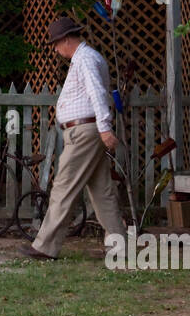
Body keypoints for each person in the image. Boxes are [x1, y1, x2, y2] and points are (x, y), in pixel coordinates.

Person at [21, 15, 124, 261]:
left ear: (66, 40)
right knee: (102, 192)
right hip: (88, 131)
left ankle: (45, 246)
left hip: (84, 133)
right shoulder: (87, 58)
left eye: (56, 44)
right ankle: (121, 247)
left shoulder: (86, 59)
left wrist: (104, 127)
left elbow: (97, 92)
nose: (56, 49)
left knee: (64, 187)